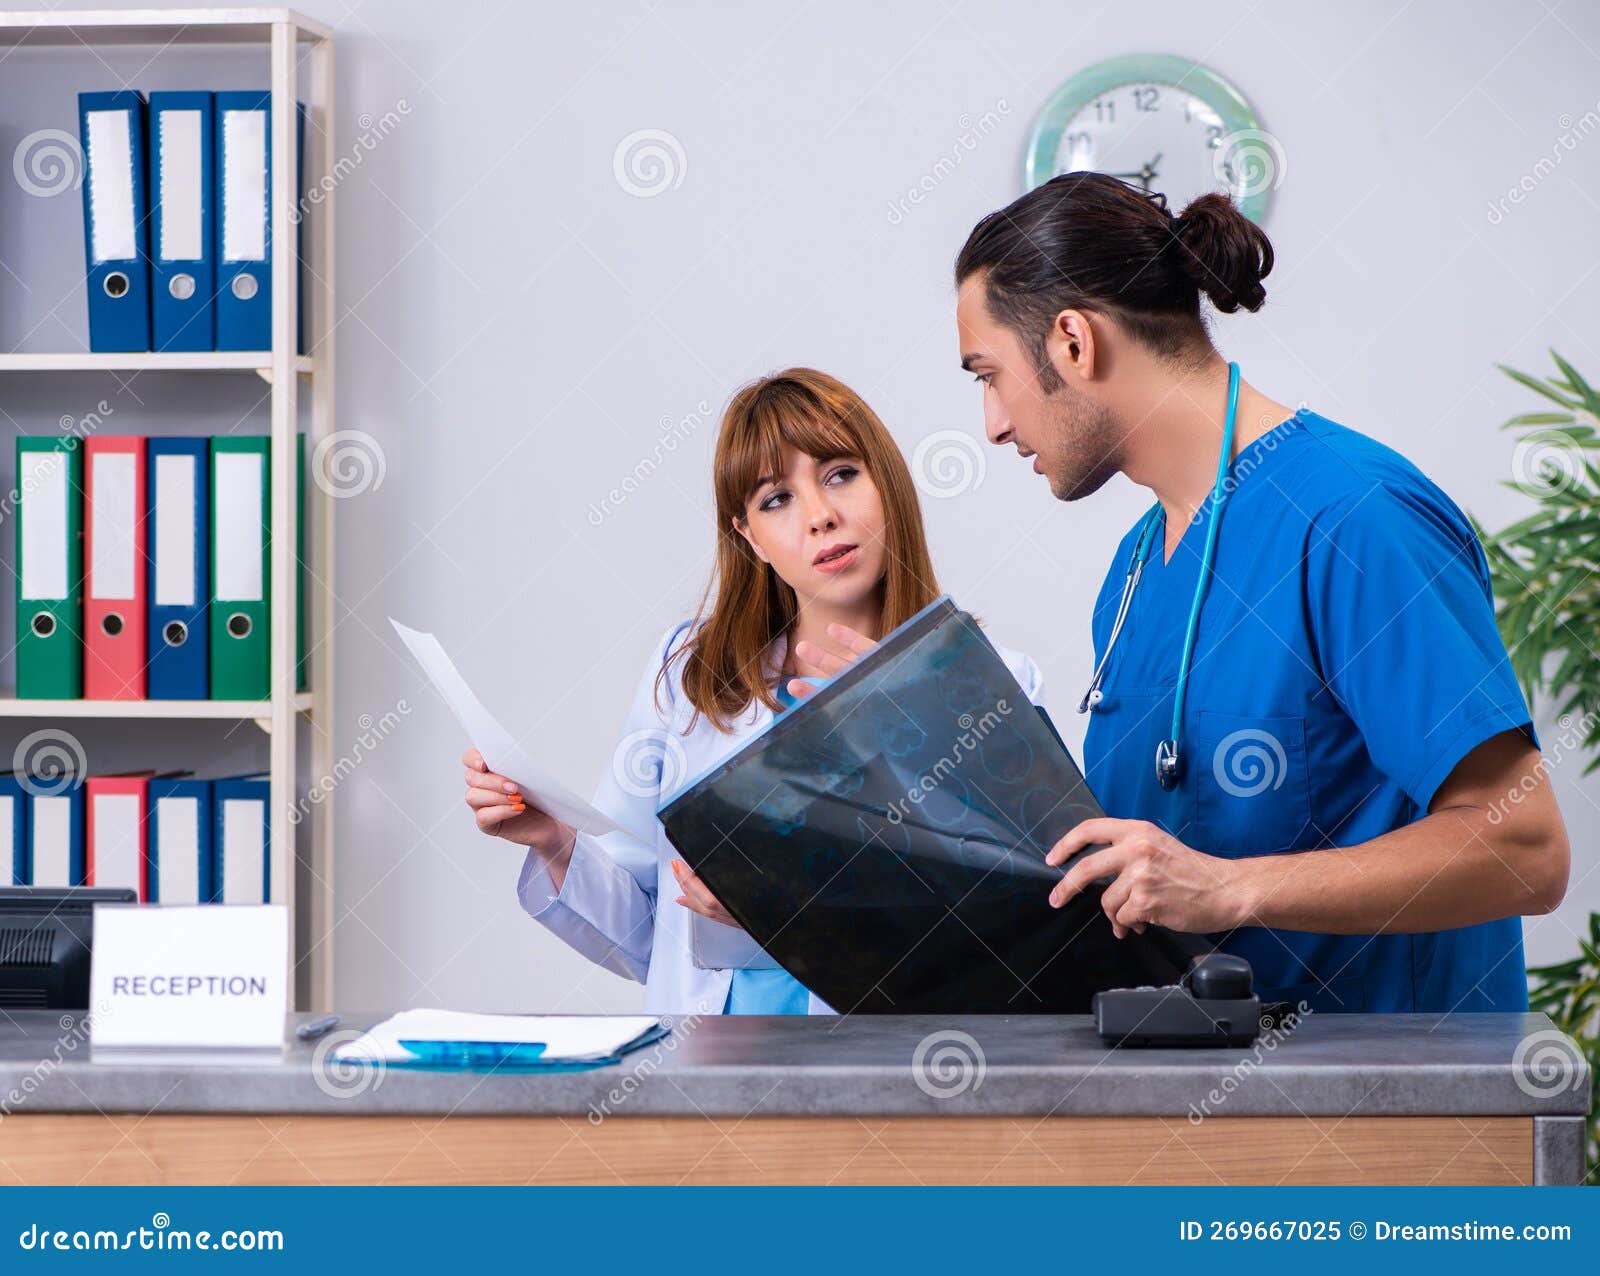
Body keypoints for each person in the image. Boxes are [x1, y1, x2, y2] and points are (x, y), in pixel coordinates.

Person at [797, 171, 1569, 1014]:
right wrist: (943, 758)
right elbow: (1136, 877)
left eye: (989, 375)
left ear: (1073, 343)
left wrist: (1234, 889)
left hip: (1378, 1087)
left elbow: (1526, 850)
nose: (993, 425)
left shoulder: (1354, 519)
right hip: (1189, 1085)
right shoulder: (1134, 570)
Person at [463, 368, 1045, 1015]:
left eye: (840, 474)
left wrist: (792, 922)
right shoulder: (692, 677)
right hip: (708, 1065)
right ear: (749, 536)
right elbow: (649, 938)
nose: (820, 517)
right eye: (776, 500)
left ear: (888, 483)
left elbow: (1007, 943)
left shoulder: (989, 686)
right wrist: (552, 839)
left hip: (882, 1066)